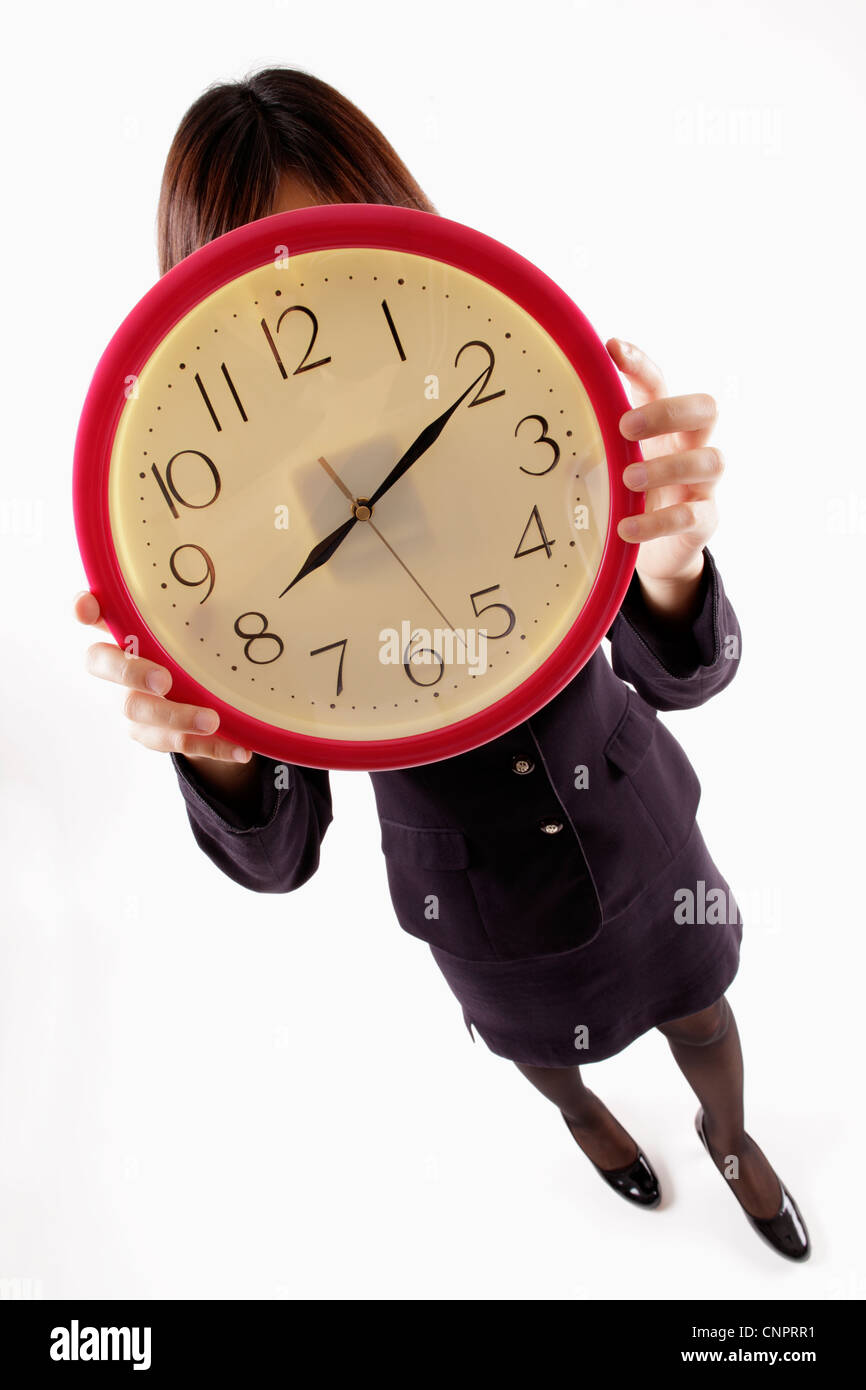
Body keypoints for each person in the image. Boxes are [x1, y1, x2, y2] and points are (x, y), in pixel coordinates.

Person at [74, 67, 809, 1261]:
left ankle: (728, 1140)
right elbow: (279, 854)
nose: (313, 341)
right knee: (540, 1055)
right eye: (265, 296)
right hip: (475, 899)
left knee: (701, 1006)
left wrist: (665, 562)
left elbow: (685, 675)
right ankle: (589, 1128)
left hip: (636, 828)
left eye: (339, 262)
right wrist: (218, 757)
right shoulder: (209, 557)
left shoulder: (515, 403)